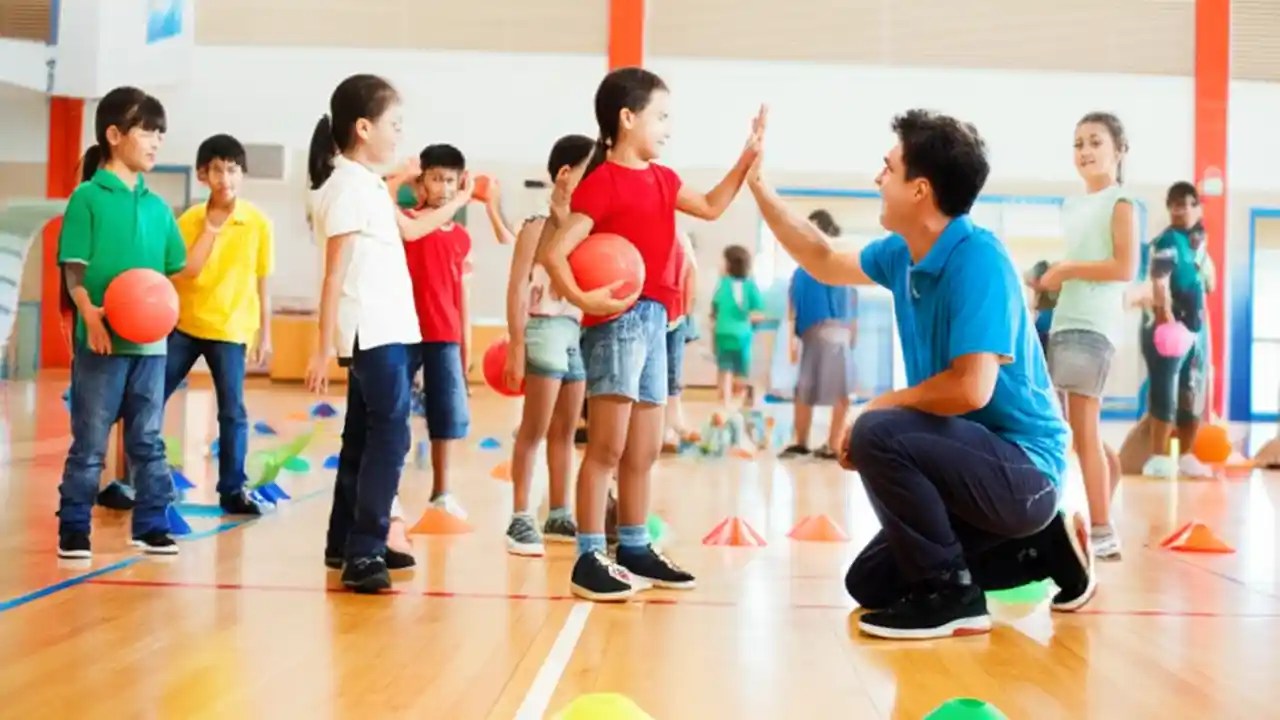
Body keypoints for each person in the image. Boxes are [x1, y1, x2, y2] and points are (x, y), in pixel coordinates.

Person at [747, 109, 1096, 640]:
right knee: (872, 581)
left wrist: (879, 406)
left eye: (888, 169)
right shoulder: (903, 253)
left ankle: (953, 597)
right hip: (977, 470)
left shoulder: (979, 259)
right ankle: (1040, 548)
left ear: (920, 190)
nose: (877, 179)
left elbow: (971, 388)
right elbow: (821, 257)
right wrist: (759, 186)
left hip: (1024, 471)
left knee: (878, 430)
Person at [541, 66, 766, 601]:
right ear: (627, 118)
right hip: (618, 322)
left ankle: (635, 547)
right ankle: (590, 555)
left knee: (645, 450)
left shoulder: (664, 180)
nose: (668, 128)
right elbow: (554, 254)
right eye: (661, 116)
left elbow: (711, 206)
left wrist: (746, 157)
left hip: (658, 322)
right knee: (607, 448)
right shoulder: (601, 185)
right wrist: (583, 299)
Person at [306, 74, 450, 592]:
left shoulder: (366, 183)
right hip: (372, 332)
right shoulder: (346, 187)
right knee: (389, 436)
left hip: (389, 329)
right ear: (363, 127)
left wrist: (461, 200)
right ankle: (366, 550)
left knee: (363, 436)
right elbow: (334, 273)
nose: (400, 135)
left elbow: (410, 231)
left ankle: (343, 541)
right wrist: (320, 348)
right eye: (395, 125)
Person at [56, 86, 186, 558]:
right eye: (146, 132)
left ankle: (151, 523)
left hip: (150, 347)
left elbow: (172, 272)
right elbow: (73, 270)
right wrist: (89, 313)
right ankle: (73, 527)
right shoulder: (87, 198)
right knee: (90, 442)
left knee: (148, 440)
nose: (155, 142)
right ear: (114, 135)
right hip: (102, 343)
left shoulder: (158, 207)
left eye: (160, 135)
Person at [392, 143, 514, 522]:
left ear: (460, 182)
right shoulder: (404, 222)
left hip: (444, 336)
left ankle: (441, 492)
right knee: (393, 413)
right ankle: (390, 492)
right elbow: (385, 196)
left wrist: (463, 347)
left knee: (445, 416)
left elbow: (464, 296)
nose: (442, 187)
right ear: (422, 183)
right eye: (434, 178)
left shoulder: (461, 238)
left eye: (449, 179)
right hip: (403, 332)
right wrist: (405, 179)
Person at [1036, 112, 1136, 561]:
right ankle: (1103, 511)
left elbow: (1124, 268)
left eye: (1095, 142)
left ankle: (1101, 529)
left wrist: (1067, 269)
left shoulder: (1121, 203)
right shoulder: (1072, 205)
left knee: (1082, 430)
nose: (1085, 152)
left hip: (1093, 325)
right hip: (1065, 320)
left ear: (1118, 151)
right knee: (1078, 430)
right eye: (1078, 144)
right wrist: (1057, 279)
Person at [164, 134, 274, 516]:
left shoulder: (257, 222)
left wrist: (265, 333)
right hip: (185, 323)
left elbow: (262, 280)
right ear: (202, 175)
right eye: (217, 170)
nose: (225, 177)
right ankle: (142, 478)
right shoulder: (189, 220)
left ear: (242, 175)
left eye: (232, 169)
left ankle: (232, 489)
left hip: (231, 329)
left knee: (232, 411)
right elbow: (176, 271)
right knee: (149, 398)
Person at [502, 133, 596, 556]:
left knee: (565, 431)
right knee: (534, 429)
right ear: (565, 174)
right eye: (589, 172)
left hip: (573, 331)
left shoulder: (585, 224)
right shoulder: (537, 224)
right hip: (542, 330)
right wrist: (516, 343)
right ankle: (520, 516)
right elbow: (518, 286)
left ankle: (559, 512)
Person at [1139, 181, 1214, 479]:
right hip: (1169, 330)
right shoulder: (1168, 240)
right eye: (1175, 205)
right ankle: (1158, 457)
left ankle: (1185, 455)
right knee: (1165, 392)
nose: (1181, 210)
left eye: (1187, 204)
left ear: (1198, 207)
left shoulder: (1199, 245)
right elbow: (1159, 281)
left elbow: (1210, 284)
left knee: (1192, 392)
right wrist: (1165, 316)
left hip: (1196, 330)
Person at [778, 209, 858, 460]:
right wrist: (792, 339)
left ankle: (826, 443)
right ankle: (812, 442)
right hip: (821, 333)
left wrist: (792, 339)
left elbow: (851, 306)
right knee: (815, 389)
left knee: (822, 389)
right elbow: (792, 308)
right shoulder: (808, 269)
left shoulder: (832, 263)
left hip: (830, 331)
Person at [711, 245, 765, 406]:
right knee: (741, 371)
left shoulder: (723, 284)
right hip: (742, 335)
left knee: (724, 369)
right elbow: (759, 314)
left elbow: (715, 308)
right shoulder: (750, 285)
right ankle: (740, 403)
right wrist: (746, 318)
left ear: (728, 265)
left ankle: (724, 403)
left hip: (723, 332)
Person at [661, 231, 699, 452]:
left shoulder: (679, 237)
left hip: (674, 315)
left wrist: (684, 314)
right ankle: (669, 425)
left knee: (671, 373)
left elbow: (691, 276)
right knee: (668, 373)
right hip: (668, 314)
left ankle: (671, 424)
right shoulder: (679, 237)